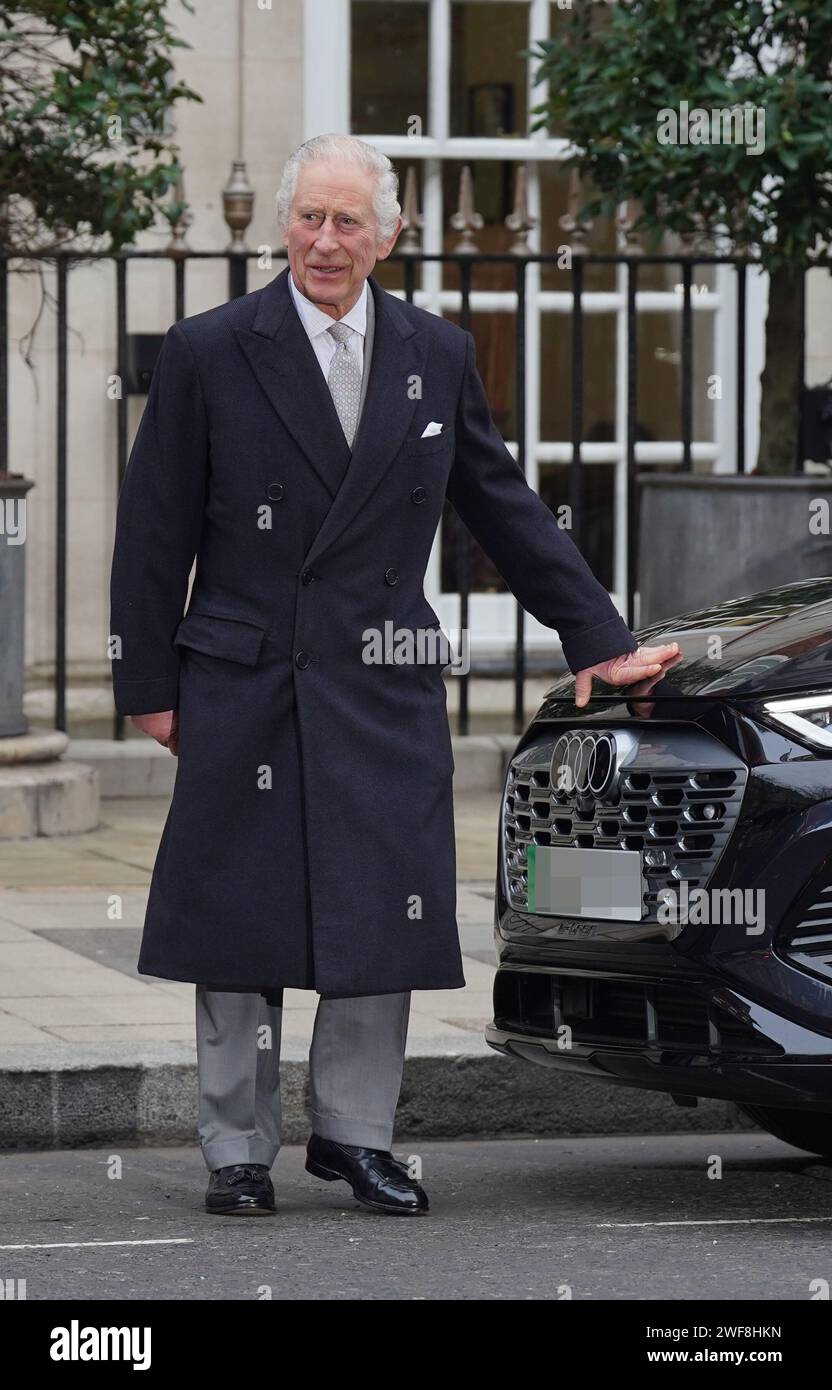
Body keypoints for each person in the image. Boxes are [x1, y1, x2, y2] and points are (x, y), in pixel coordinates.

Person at [109, 133, 679, 1219]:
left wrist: (598, 638)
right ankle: (236, 1147)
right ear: (286, 225)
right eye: (310, 219)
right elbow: (152, 529)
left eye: (349, 223)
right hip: (244, 671)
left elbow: (504, 507)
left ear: (389, 235)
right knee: (239, 914)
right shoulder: (211, 348)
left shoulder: (436, 352)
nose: (327, 242)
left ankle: (356, 1137)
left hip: (381, 675)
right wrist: (148, 678)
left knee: (383, 907)